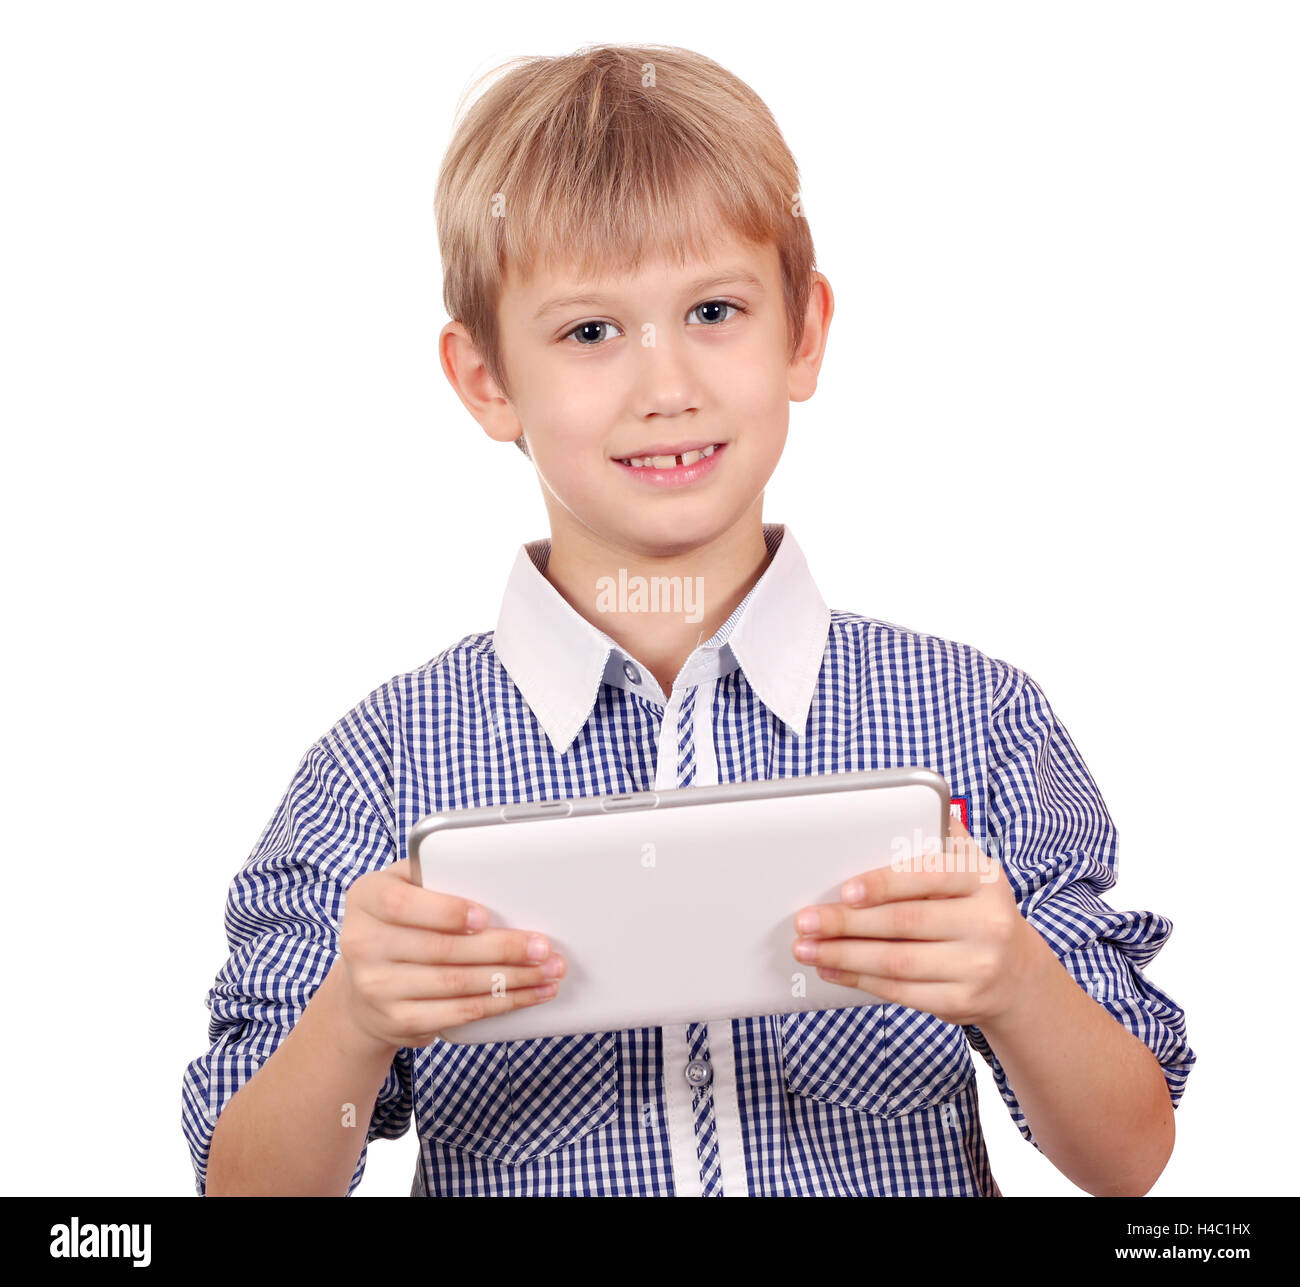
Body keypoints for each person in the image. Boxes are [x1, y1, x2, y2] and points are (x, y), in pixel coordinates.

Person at [181, 43, 1195, 1197]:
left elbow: (1128, 1156)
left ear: (802, 333)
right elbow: (244, 1188)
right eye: (589, 332)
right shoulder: (382, 767)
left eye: (713, 309)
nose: (666, 385)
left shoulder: (977, 720)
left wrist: (1014, 979)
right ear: (485, 380)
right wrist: (356, 1022)